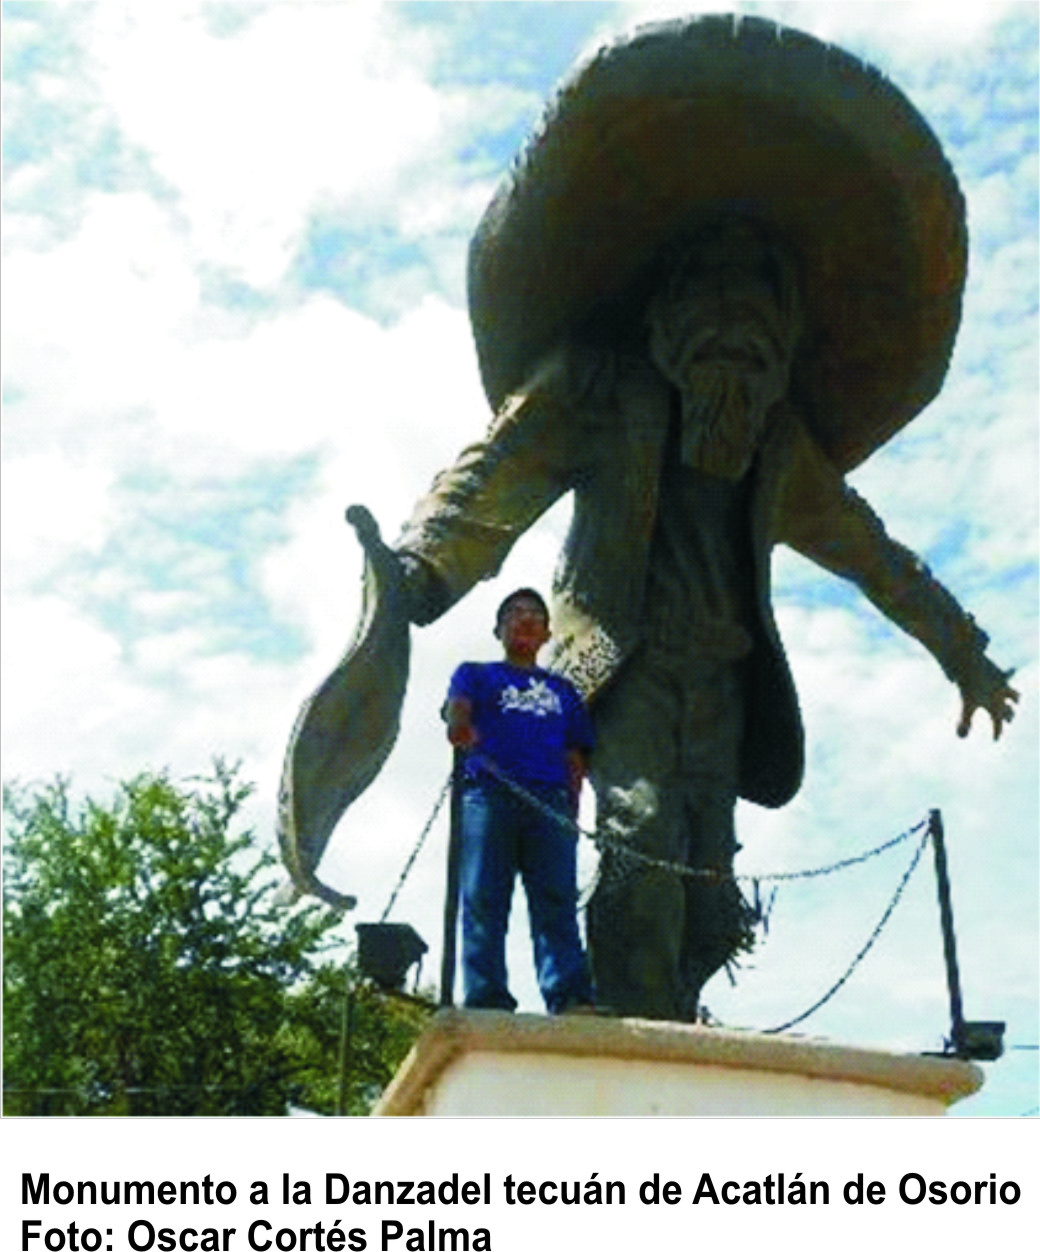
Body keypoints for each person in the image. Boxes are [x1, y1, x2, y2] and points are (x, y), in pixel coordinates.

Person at [394, 216, 1018, 1022]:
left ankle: (673, 1027)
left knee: (709, 889)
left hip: (721, 681)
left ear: (787, 332)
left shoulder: (780, 445)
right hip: (623, 670)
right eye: (708, 287)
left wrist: (960, 650)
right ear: (659, 315)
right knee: (642, 839)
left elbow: (878, 558)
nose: (733, 310)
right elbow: (491, 476)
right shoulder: (598, 389)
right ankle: (628, 1027)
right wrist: (416, 570)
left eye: (757, 290)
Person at [444, 588, 595, 1014]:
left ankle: (569, 995)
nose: (525, 619)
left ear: (547, 633)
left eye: (535, 614)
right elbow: (458, 712)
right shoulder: (475, 673)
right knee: (483, 898)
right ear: (499, 628)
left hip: (549, 803)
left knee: (556, 901)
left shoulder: (564, 691)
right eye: (515, 613)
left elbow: (575, 754)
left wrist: (572, 806)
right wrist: (460, 727)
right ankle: (486, 998)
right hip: (489, 794)